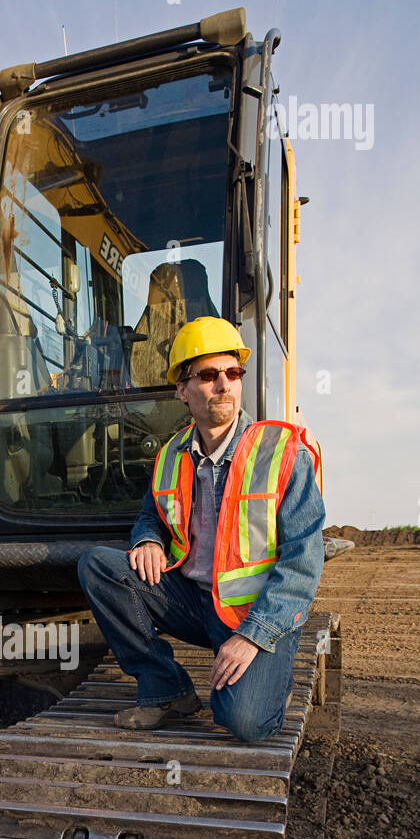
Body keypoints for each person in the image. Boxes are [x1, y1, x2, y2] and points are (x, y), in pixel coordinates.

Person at [77, 316, 326, 742]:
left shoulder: (282, 453)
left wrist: (253, 637)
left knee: (245, 724)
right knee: (99, 566)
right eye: (209, 375)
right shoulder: (173, 454)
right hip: (194, 600)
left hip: (255, 612)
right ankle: (165, 689)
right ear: (182, 389)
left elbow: (303, 561)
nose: (224, 385)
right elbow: (150, 514)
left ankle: (267, 675)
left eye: (233, 373)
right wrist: (148, 539)